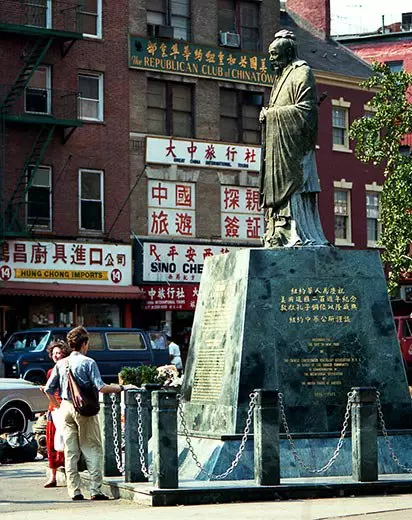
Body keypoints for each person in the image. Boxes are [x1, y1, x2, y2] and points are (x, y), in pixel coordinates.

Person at [44, 326, 137, 501]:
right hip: (84, 409)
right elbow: (101, 387)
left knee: (71, 452)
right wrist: (123, 387)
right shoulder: (88, 362)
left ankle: (74, 491)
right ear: (84, 343)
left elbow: (49, 389)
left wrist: (57, 405)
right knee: (92, 447)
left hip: (65, 407)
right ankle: (95, 490)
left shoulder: (61, 363)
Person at [259, 29, 329, 248]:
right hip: (278, 148)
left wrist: (271, 115)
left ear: (288, 52)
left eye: (275, 55)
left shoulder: (302, 72)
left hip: (294, 152)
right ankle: (277, 231)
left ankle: (294, 233)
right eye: (270, 55)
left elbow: (307, 110)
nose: (272, 60)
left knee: (295, 194)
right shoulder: (281, 77)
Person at [42, 340, 72, 488]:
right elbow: (50, 390)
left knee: (68, 441)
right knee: (51, 442)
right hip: (53, 409)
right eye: (54, 353)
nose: (56, 356)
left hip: (64, 406)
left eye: (59, 353)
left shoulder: (68, 368)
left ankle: (69, 474)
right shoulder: (50, 372)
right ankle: (53, 476)